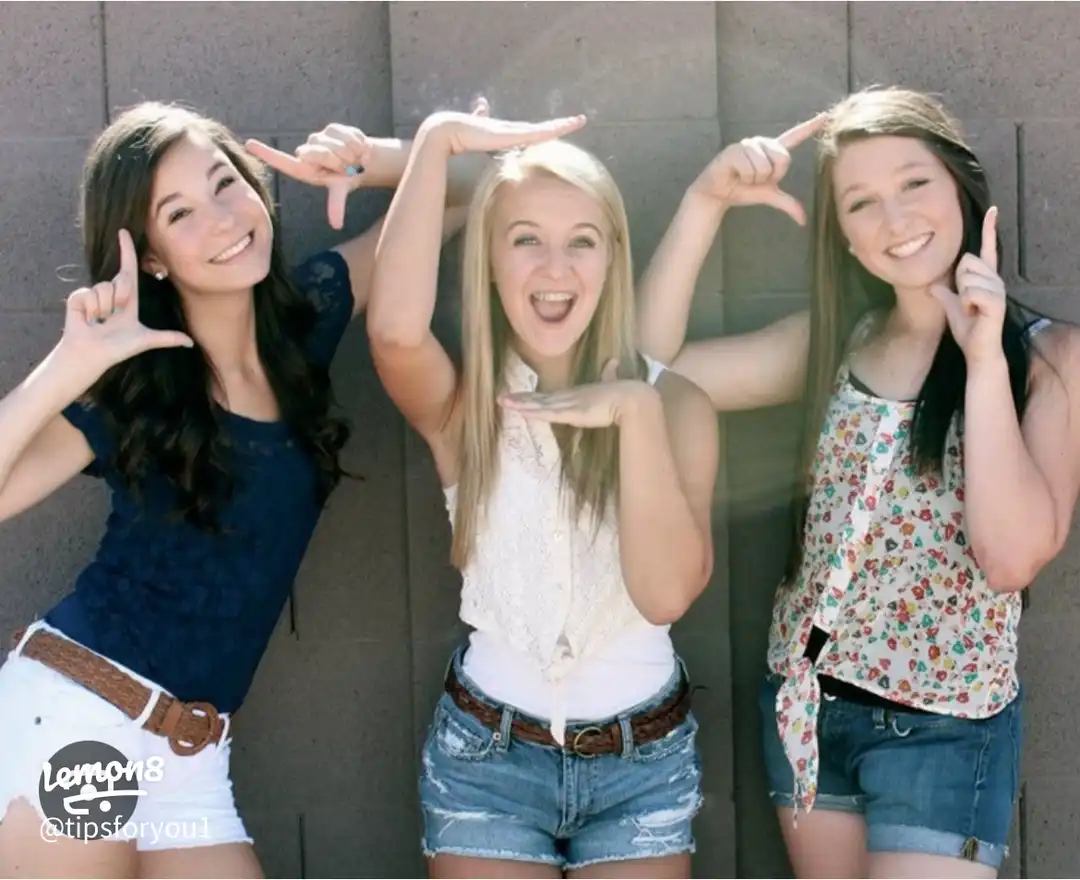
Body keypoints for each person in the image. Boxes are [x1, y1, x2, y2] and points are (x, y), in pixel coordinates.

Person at [0, 100, 473, 878]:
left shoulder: (307, 318)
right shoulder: (131, 391)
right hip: (82, 723)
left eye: (226, 185)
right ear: (150, 257)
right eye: (180, 213)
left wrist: (373, 161)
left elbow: (464, 190)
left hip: (192, 753)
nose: (223, 220)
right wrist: (70, 365)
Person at [637, 85, 1080, 879]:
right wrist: (707, 202)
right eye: (862, 203)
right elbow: (648, 370)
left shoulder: (1047, 359)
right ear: (840, 235)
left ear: (961, 186)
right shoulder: (834, 343)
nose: (897, 219)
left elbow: (1011, 560)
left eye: (914, 184)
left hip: (950, 728)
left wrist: (981, 360)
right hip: (810, 711)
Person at [366, 107, 719, 879]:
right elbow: (394, 333)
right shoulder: (466, 408)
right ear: (490, 261)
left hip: (643, 763)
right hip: (487, 759)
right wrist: (434, 145)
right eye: (525, 239)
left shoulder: (675, 405)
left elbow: (664, 595)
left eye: (581, 243)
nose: (554, 269)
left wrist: (633, 413)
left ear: (612, 259)